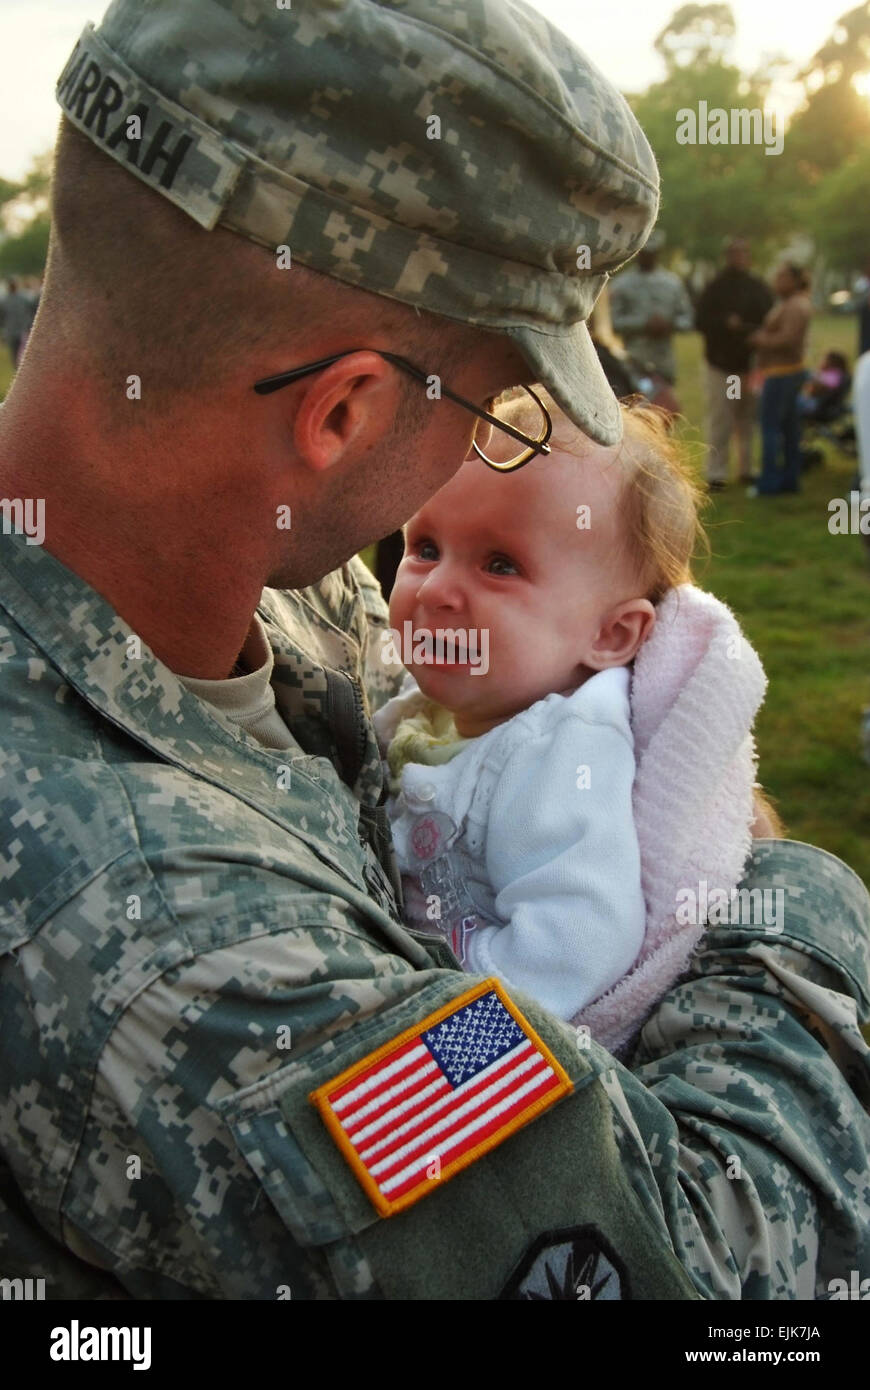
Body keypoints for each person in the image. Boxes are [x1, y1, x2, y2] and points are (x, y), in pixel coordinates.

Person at [0, 0, 867, 1302]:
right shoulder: (155, 929)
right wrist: (790, 900)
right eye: (484, 403)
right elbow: (704, 1266)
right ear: (342, 408)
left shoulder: (264, 592)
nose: (480, 458)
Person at [374, 395, 767, 1054]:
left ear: (611, 635)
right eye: (425, 547)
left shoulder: (558, 752)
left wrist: (446, 1042)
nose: (436, 588)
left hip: (502, 1060)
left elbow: (580, 940)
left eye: (500, 564)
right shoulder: (449, 711)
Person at [694, 238, 773, 489]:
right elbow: (700, 321)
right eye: (735, 253)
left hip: (748, 365)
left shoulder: (758, 287)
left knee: (747, 418)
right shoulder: (716, 288)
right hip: (722, 366)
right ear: (727, 256)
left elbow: (769, 320)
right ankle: (716, 472)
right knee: (722, 418)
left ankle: (747, 467)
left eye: (744, 253)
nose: (740, 257)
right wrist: (724, 324)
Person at [748, 263, 813, 497]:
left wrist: (759, 340)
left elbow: (788, 339)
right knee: (789, 429)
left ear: (796, 280)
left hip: (783, 374)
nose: (777, 281)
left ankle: (769, 482)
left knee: (771, 428)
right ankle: (789, 479)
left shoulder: (796, 305)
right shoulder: (790, 303)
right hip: (782, 373)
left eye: (783, 277)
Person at [608, 231, 694, 387]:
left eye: (652, 253)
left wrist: (669, 324)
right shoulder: (621, 285)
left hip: (664, 362)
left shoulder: (673, 283)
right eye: (644, 252)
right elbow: (611, 322)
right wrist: (643, 325)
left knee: (664, 408)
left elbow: (687, 319)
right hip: (634, 360)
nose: (648, 257)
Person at [0, 277, 37, 369]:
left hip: (12, 330)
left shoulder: (5, 301)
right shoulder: (24, 299)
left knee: (15, 351)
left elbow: (2, 317)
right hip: (22, 329)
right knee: (23, 351)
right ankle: (21, 368)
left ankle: (18, 368)